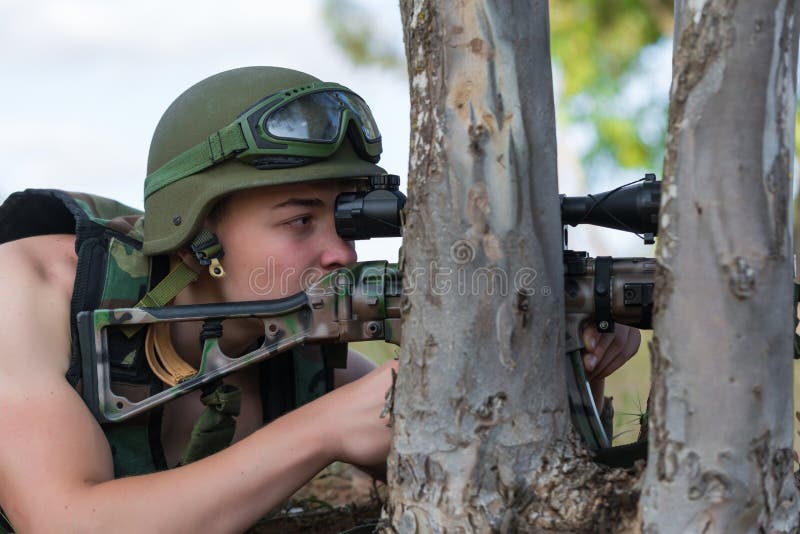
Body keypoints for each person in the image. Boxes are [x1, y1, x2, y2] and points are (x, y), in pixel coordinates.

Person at [0, 66, 639, 532]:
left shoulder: (301, 359)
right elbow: (65, 521)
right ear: (197, 234)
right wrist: (322, 431)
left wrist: (565, 368)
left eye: (350, 223)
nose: (341, 254)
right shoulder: (27, 291)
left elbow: (525, 494)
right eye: (300, 221)